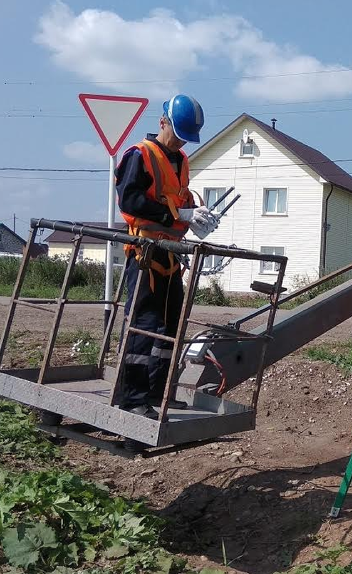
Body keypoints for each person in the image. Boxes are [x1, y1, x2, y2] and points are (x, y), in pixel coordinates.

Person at [114, 94, 218, 420]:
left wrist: (195, 216)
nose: (180, 141)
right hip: (145, 254)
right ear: (162, 123)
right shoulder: (139, 156)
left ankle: (158, 394)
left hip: (171, 257)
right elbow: (130, 202)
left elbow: (181, 199)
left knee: (170, 326)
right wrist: (180, 213)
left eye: (186, 137)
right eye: (177, 133)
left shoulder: (181, 160)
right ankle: (133, 399)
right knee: (144, 327)